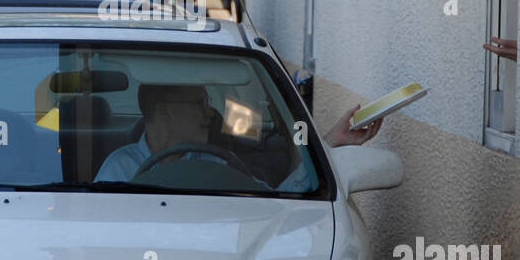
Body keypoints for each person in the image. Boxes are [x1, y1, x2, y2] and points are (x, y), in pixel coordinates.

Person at [94, 83, 381, 184]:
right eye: (200, 103)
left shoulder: (216, 166)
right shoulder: (118, 170)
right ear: (164, 111)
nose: (210, 113)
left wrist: (329, 142)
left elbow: (276, 201)